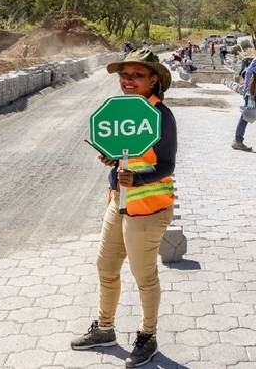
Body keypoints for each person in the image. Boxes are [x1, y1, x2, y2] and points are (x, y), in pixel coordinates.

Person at [72, 49, 176, 368]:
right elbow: (126, 158)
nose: (128, 81)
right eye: (124, 75)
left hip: (149, 209)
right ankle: (105, 329)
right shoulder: (122, 112)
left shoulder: (161, 115)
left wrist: (137, 177)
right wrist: (113, 159)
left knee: (144, 276)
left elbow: (166, 165)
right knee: (105, 267)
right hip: (118, 203)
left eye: (137, 75)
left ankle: (148, 336)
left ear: (153, 80)